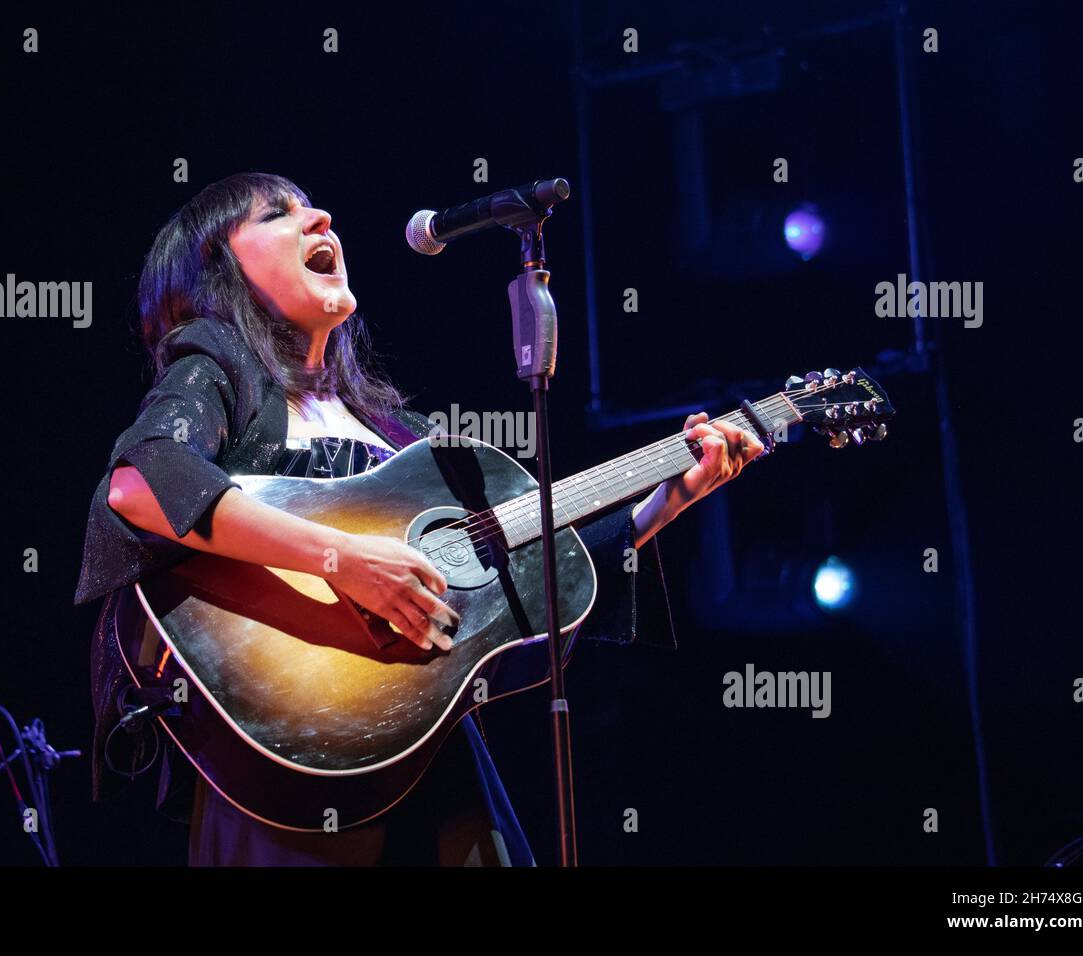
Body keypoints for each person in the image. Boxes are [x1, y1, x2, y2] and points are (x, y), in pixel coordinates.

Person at [72, 172, 763, 866]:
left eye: (315, 205)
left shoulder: (405, 437)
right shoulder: (218, 367)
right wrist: (342, 559)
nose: (321, 218)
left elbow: (523, 569)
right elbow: (141, 482)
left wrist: (666, 499)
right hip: (292, 745)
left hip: (426, 746)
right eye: (278, 214)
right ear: (216, 270)